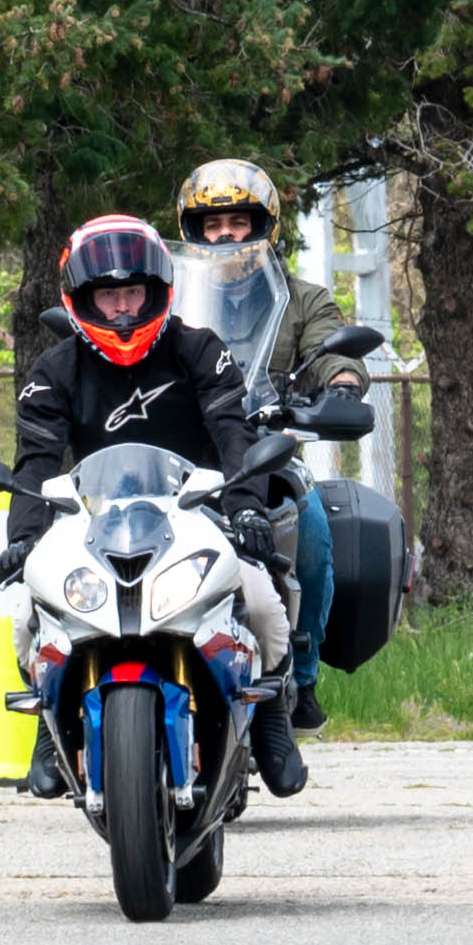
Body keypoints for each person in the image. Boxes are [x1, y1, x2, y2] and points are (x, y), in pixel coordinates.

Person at [0, 216, 307, 794]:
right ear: (81, 299)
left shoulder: (199, 350)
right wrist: (25, 537)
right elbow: (35, 462)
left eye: (131, 292)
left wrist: (245, 509)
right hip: (94, 519)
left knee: (264, 602)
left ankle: (269, 720)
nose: (121, 309)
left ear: (157, 291)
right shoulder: (54, 370)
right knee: (26, 617)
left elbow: (234, 435)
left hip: (198, 509)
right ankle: (49, 723)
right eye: (108, 295)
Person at [172, 158, 367, 735]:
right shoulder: (168, 296)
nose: (226, 234)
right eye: (213, 224)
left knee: (307, 528)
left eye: (238, 220)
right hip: (185, 455)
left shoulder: (301, 298)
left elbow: (334, 347)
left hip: (267, 447)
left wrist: (341, 383)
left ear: (263, 226)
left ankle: (300, 678)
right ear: (194, 233)